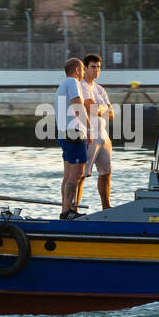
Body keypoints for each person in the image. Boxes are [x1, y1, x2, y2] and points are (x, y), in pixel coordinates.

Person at [78, 53, 115, 210]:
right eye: (93, 67)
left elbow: (111, 112)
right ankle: (74, 207)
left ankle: (105, 206)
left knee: (106, 172)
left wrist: (100, 108)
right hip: (89, 134)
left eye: (98, 67)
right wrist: (103, 107)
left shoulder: (100, 89)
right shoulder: (81, 86)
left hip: (103, 135)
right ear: (85, 68)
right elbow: (90, 107)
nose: (96, 70)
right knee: (82, 173)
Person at [54, 58, 89, 220]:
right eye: (82, 69)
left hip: (64, 135)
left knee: (68, 175)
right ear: (76, 70)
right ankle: (68, 211)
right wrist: (89, 129)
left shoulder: (62, 85)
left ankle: (66, 208)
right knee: (77, 174)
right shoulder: (73, 83)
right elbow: (77, 106)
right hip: (74, 135)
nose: (84, 72)